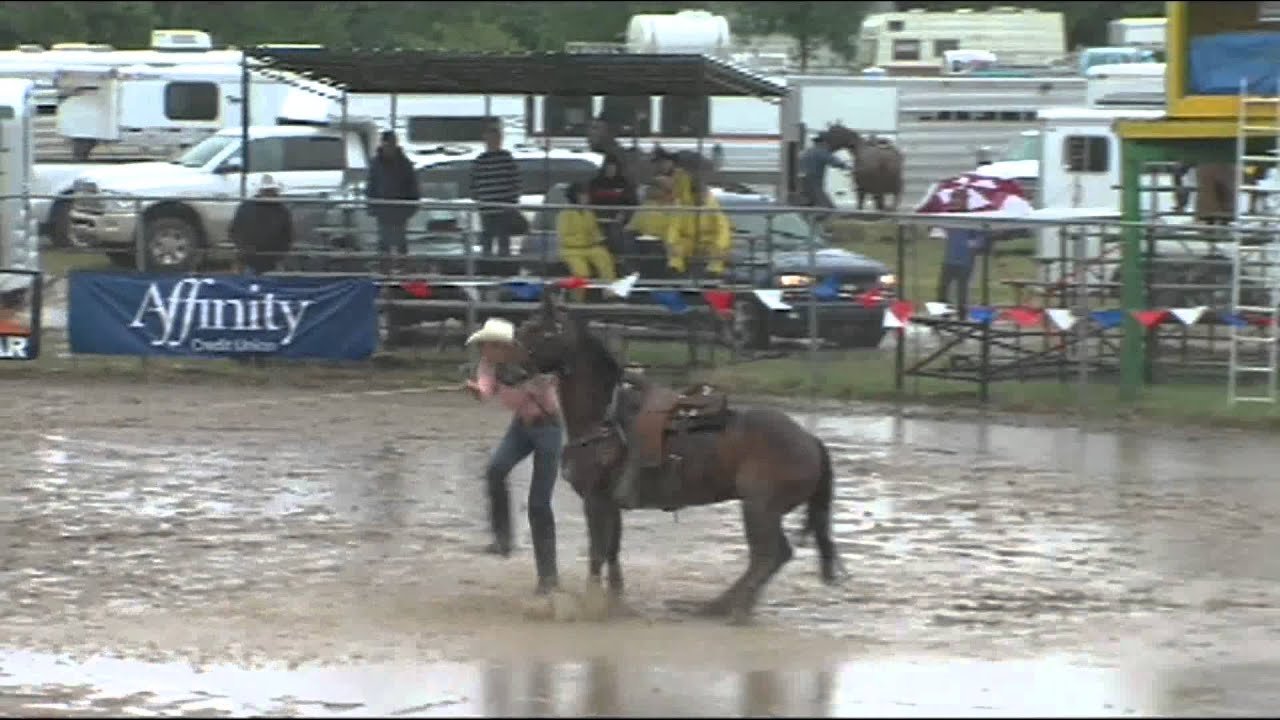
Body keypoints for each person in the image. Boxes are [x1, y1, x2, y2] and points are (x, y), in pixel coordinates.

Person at [463, 317, 563, 595]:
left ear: (500, 345)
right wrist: (476, 390)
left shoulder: (535, 362)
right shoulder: (490, 365)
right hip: (521, 427)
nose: (483, 350)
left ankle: (548, 577)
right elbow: (486, 390)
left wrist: (536, 378)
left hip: (548, 429)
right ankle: (503, 538)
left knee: (539, 504)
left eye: (486, 345)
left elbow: (553, 378)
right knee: (495, 470)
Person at [366, 130, 420, 267]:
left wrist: (411, 207)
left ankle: (402, 269)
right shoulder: (376, 164)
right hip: (383, 210)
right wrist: (371, 206)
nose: (390, 147)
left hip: (399, 210)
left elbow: (412, 186)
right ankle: (385, 269)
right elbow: (371, 185)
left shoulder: (404, 164)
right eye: (388, 144)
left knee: (400, 241)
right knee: (384, 242)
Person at [557, 182, 618, 301]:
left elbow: (595, 232)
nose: (587, 197)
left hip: (590, 248)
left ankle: (610, 295)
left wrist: (600, 240)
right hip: (571, 250)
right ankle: (577, 300)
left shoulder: (588, 213)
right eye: (583, 195)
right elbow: (563, 237)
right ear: (575, 196)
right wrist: (582, 241)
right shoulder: (564, 214)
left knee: (605, 259)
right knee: (581, 273)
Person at [469, 125, 522, 258]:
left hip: (502, 207)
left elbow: (515, 181)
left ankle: (500, 265)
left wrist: (513, 201)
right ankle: (489, 265)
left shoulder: (505, 158)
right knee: (489, 239)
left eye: (495, 138)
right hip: (490, 208)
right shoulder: (481, 160)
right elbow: (473, 183)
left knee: (502, 240)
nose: (493, 141)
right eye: (490, 139)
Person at [935, 193, 987, 318]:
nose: (956, 202)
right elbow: (941, 227)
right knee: (942, 287)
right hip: (949, 259)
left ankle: (962, 316)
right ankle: (943, 314)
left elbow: (981, 236)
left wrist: (975, 243)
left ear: (965, 201)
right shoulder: (949, 216)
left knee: (962, 290)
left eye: (959, 199)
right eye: (954, 199)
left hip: (965, 260)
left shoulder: (971, 218)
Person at [228, 175, 293, 274]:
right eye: (267, 190)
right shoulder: (280, 210)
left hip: (270, 258)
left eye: (270, 190)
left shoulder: (246, 206)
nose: (269, 193)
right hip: (251, 257)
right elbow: (235, 231)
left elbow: (287, 235)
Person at [586, 154, 637, 260]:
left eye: (613, 167)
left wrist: (623, 214)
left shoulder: (624, 183)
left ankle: (619, 259)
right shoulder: (595, 183)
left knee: (617, 233)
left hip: (619, 218)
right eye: (608, 167)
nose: (611, 170)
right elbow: (588, 202)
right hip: (597, 218)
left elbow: (632, 203)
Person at [799, 132, 848, 217]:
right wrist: (846, 166)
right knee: (828, 208)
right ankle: (816, 221)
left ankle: (809, 221)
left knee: (808, 207)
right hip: (815, 183)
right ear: (823, 142)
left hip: (803, 184)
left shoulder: (806, 152)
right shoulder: (820, 152)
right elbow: (834, 161)